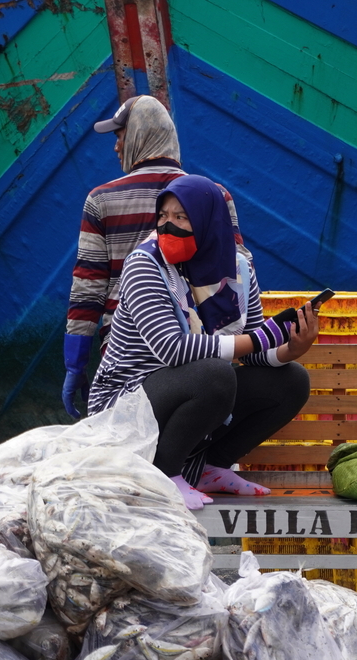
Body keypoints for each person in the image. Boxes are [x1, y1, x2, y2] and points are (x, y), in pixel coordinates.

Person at [88, 175, 317, 508]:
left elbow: (254, 347)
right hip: (125, 403)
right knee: (214, 373)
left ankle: (212, 467)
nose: (169, 226)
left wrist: (289, 349)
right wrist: (255, 341)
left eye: (181, 217)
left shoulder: (237, 268)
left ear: (209, 222)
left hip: (189, 392)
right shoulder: (144, 264)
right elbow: (172, 347)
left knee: (292, 379)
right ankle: (164, 475)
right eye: (163, 216)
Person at [63, 95, 248, 418]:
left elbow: (88, 290)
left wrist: (75, 363)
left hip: (126, 360)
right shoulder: (214, 196)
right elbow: (237, 274)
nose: (116, 147)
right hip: (199, 350)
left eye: (120, 136)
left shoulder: (101, 200)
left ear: (137, 136)